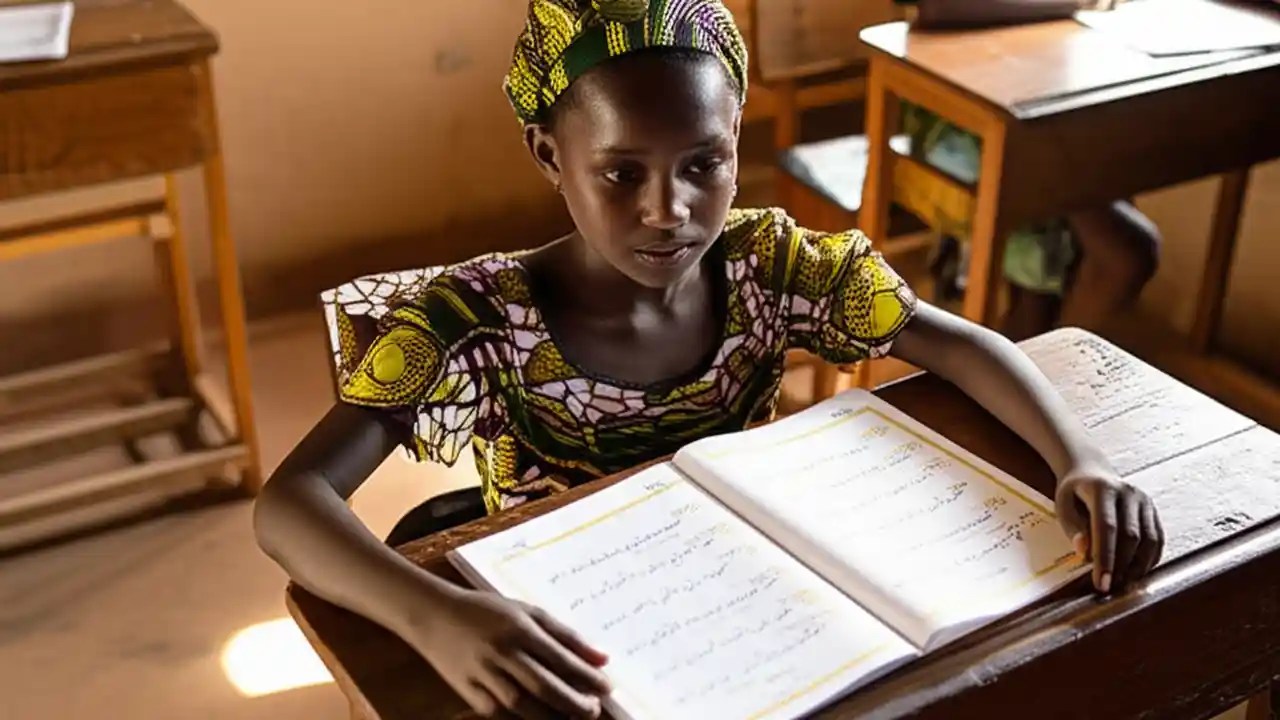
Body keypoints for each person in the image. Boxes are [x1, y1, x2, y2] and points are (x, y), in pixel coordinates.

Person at [254, 1, 1163, 717]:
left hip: (737, 605)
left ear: (736, 148)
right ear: (549, 155)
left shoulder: (769, 266)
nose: (670, 210)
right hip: (572, 624)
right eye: (621, 173)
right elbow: (291, 505)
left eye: (705, 164)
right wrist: (437, 614)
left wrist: (1083, 455)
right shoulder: (478, 316)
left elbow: (961, 344)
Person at [897, 0, 1162, 340]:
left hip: (1046, 106)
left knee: (1058, 271)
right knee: (1123, 254)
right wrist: (1073, 4)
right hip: (957, 123)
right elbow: (938, 9)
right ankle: (1048, 371)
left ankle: (1036, 367)